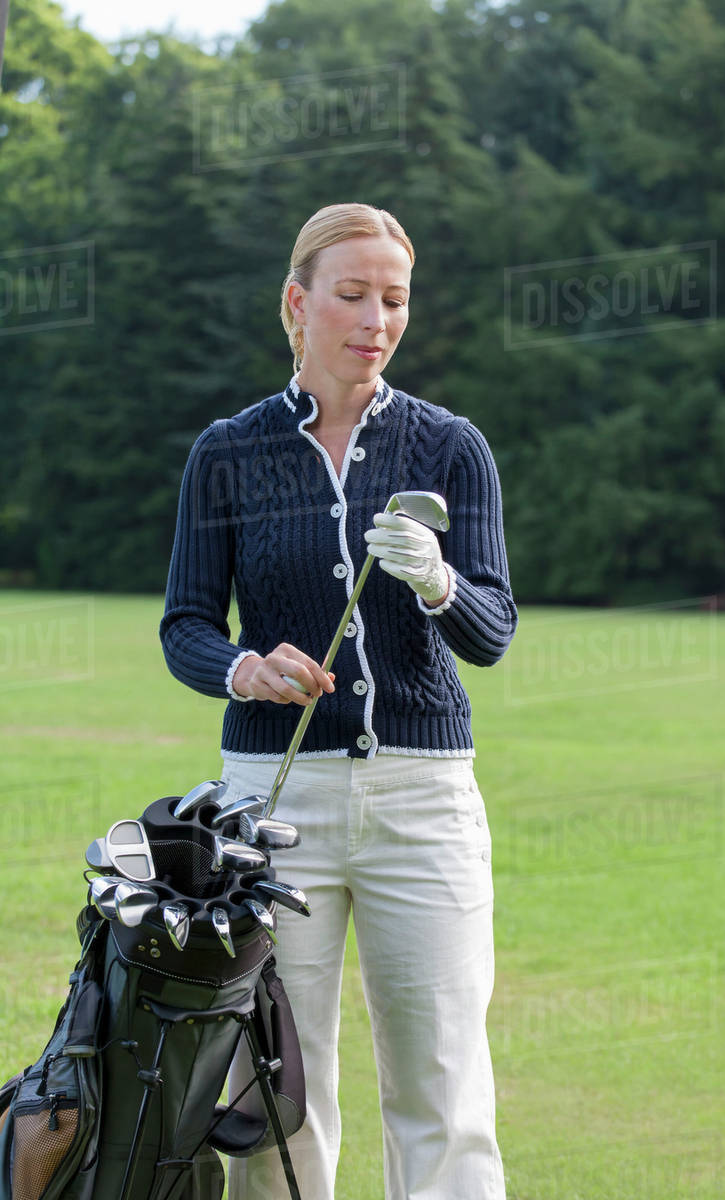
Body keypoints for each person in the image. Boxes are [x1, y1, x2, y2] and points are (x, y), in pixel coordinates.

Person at [160, 202, 517, 1200]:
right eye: (352, 294)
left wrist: (438, 580)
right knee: (275, 1091)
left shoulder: (450, 447)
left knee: (443, 1088)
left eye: (393, 298)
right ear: (296, 303)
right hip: (275, 806)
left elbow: (489, 633)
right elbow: (184, 624)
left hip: (424, 804)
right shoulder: (226, 454)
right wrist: (245, 670)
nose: (375, 317)